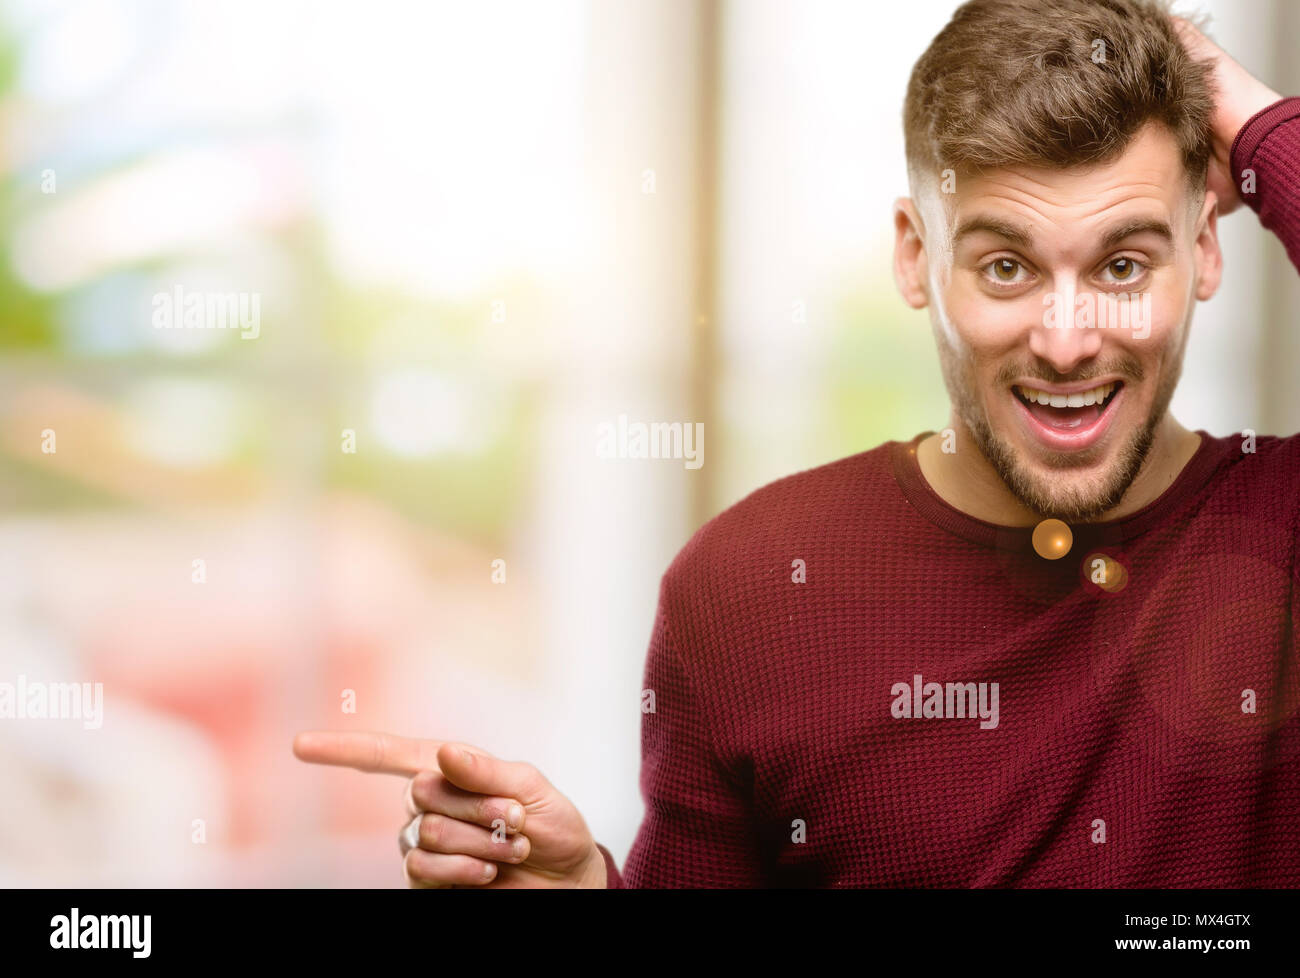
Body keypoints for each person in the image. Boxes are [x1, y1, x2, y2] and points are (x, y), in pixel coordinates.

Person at [294, 0, 1300, 887]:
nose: (1067, 337)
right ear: (915, 257)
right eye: (1004, 267)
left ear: (1206, 249)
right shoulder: (750, 588)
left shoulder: (1281, 526)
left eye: (1123, 261)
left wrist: (1255, 122)